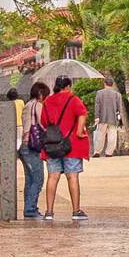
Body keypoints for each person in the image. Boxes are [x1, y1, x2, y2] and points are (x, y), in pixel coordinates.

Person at [40, 75, 89, 222]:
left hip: (52, 145)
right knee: (72, 176)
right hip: (71, 145)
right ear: (67, 86)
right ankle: (76, 211)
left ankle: (49, 212)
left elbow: (44, 122)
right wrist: (79, 131)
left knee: (52, 177)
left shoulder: (47, 101)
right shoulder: (73, 99)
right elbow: (82, 114)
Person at [19, 82, 48, 219]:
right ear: (40, 94)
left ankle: (29, 208)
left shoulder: (27, 105)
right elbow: (43, 123)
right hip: (33, 146)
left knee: (30, 180)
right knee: (38, 179)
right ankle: (30, 209)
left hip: (24, 145)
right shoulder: (37, 105)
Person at [92, 76, 123, 158]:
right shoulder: (117, 94)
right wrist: (119, 119)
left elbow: (97, 106)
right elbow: (119, 108)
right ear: (112, 84)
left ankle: (97, 151)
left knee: (100, 135)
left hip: (102, 117)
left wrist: (96, 117)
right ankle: (109, 152)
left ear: (105, 84)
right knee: (112, 136)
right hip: (113, 118)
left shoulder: (99, 93)